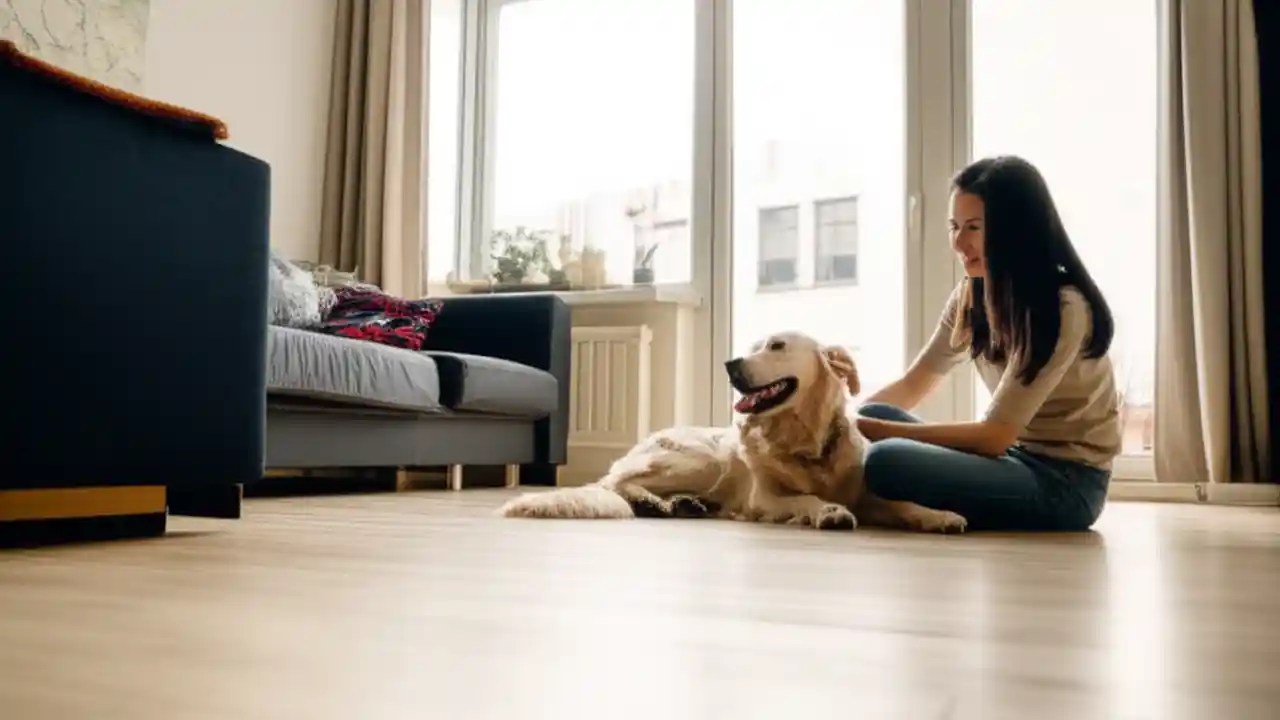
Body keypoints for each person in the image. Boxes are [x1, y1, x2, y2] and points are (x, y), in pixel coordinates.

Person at [857, 155, 1120, 531]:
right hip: (1012, 458)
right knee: (875, 413)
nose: (959, 242)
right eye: (954, 226)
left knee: (885, 459)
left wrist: (879, 432)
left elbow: (994, 436)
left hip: (1067, 484)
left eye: (974, 227)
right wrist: (840, 424)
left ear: (1016, 230)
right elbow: (913, 384)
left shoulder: (1063, 307)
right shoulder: (972, 293)